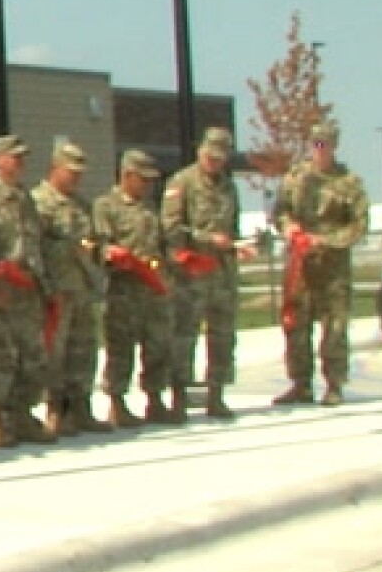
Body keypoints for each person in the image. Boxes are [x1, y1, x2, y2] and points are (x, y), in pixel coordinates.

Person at [271, 122, 369, 407]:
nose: (319, 149)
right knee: (296, 324)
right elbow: (280, 212)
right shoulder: (295, 178)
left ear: (334, 145)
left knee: (334, 326)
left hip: (333, 266)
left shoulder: (349, 182)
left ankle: (334, 384)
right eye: (315, 143)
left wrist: (325, 241)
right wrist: (289, 228)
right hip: (301, 265)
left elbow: (359, 225)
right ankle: (300, 383)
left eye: (325, 144)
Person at [0, 134, 52, 449]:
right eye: (14, 157)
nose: (21, 163)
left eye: (22, 157)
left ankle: (23, 413)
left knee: (31, 356)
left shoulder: (26, 198)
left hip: (28, 291)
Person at [162, 127, 243, 418]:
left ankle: (216, 393)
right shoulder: (182, 183)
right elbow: (171, 227)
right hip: (191, 275)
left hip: (222, 275)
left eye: (220, 158)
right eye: (210, 156)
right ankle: (179, 397)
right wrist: (208, 239)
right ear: (200, 151)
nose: (214, 163)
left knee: (222, 335)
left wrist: (236, 245)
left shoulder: (229, 187)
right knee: (185, 334)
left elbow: (233, 227)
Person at [94, 149, 178, 428]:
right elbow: (99, 244)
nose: (147, 185)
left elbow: (162, 245)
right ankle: (117, 403)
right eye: (142, 179)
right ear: (127, 175)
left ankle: (155, 398)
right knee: (121, 347)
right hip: (124, 289)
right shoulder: (106, 206)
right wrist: (112, 253)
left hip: (152, 289)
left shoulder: (149, 209)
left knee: (157, 345)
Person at [33, 142, 112, 436]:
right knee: (56, 352)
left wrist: (98, 251)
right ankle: (56, 410)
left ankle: (81, 408)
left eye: (80, 173)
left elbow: (95, 241)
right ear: (55, 168)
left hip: (82, 288)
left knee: (84, 350)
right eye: (71, 172)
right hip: (57, 289)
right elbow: (36, 248)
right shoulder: (39, 202)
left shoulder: (82, 204)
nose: (77, 178)